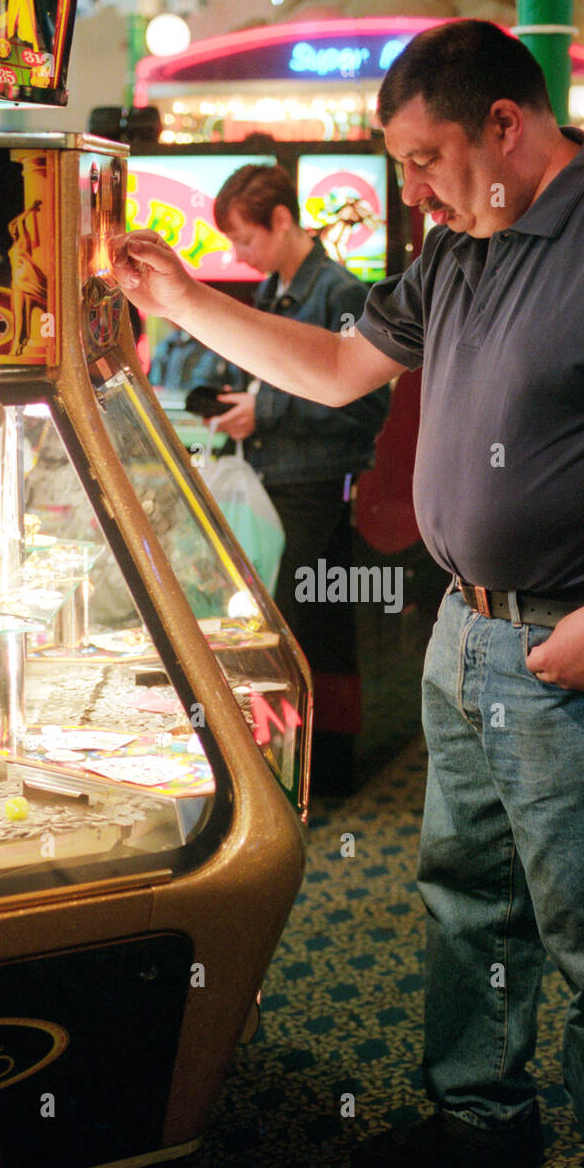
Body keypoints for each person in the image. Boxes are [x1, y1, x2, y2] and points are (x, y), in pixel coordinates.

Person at [110, 20, 584, 1168]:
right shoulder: (463, 243)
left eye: (424, 160)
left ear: (505, 125)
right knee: (466, 891)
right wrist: (183, 298)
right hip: (468, 631)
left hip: (576, 639)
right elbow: (340, 369)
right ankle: (482, 1111)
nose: (409, 190)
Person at [209, 164, 391, 795]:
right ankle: (281, 762)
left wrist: (267, 409)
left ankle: (313, 771)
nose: (237, 254)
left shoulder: (339, 291)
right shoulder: (276, 288)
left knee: (303, 632)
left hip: (317, 489)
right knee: (275, 628)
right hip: (276, 482)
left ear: (282, 220)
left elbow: (367, 405)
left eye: (244, 239)